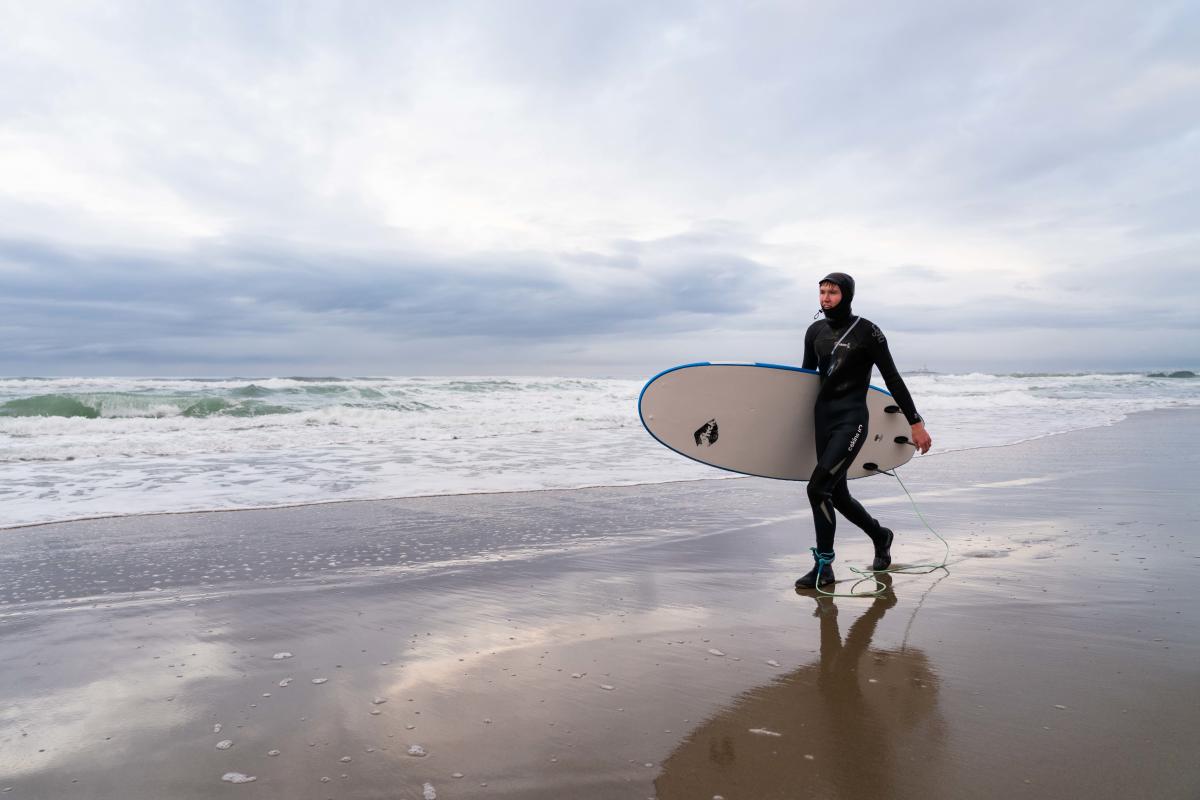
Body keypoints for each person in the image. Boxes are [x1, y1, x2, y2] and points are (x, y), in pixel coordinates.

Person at [794, 272, 932, 589]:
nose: (826, 298)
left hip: (851, 420)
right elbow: (802, 381)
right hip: (823, 420)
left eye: (833, 292)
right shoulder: (814, 331)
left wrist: (915, 422)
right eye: (822, 292)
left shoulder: (868, 332)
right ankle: (880, 535)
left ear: (847, 295)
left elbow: (893, 378)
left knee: (817, 489)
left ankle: (823, 566)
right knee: (836, 494)